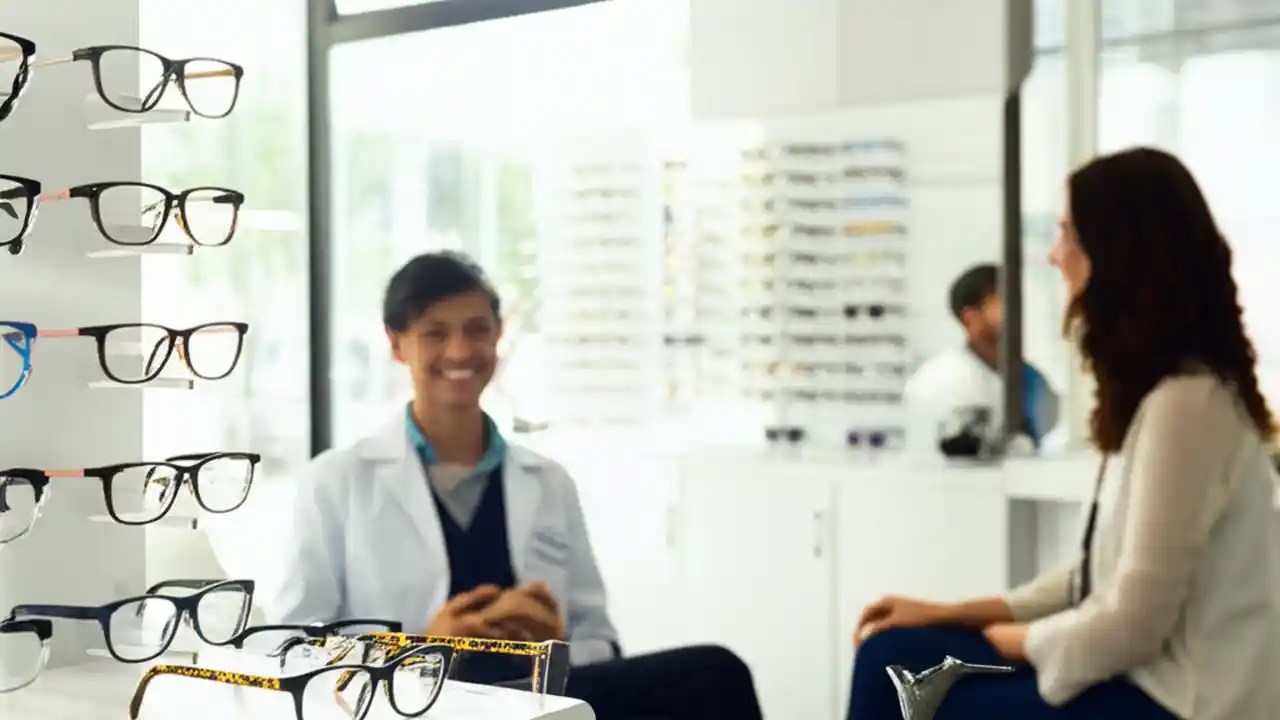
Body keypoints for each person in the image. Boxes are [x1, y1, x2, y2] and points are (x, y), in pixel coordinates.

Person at [847, 148, 1280, 719]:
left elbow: (1134, 622)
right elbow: (1090, 580)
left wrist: (1015, 640)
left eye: (1067, 234)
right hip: (1139, 676)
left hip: (1180, 702)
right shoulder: (1159, 398)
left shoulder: (1188, 407)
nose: (1053, 256)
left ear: (1117, 254)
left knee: (924, 696)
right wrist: (950, 613)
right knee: (892, 653)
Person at [275, 251, 762, 720]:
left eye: (477, 330)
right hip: (418, 704)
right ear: (396, 344)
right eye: (435, 333)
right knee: (715, 674)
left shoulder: (548, 483)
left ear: (499, 334)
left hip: (535, 700)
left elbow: (601, 639)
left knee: (713, 678)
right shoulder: (337, 482)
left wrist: (556, 645)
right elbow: (289, 647)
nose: (461, 350)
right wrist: (422, 648)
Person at [904, 264, 1059, 448]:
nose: (1014, 312)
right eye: (1001, 302)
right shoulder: (938, 381)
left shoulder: (1031, 379)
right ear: (970, 318)